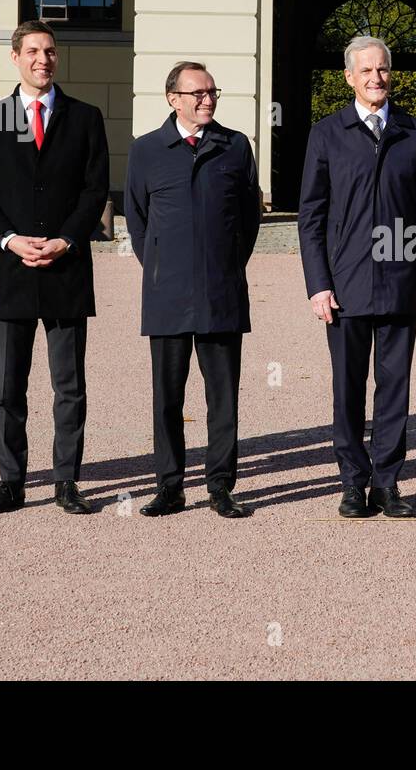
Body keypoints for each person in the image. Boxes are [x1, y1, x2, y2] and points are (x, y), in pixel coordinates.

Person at [298, 35, 416, 519]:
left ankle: (387, 483)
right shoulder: (327, 134)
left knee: (394, 388)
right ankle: (351, 482)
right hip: (345, 286)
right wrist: (318, 284)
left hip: (404, 283)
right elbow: (311, 216)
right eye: (366, 71)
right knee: (347, 388)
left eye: (382, 69)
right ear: (349, 77)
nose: (376, 78)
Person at [0, 20, 110, 515]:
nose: (42, 60)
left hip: (67, 268)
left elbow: (95, 190)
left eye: (49, 51)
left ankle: (67, 480)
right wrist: (9, 240)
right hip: (12, 270)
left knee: (69, 385)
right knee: (9, 387)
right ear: (15, 57)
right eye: (32, 51)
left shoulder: (86, 118)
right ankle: (12, 481)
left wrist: (67, 239)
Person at [125, 62, 261, 518]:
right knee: (168, 396)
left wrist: (226, 265)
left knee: (222, 397)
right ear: (173, 99)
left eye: (212, 91)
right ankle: (170, 486)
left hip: (221, 292)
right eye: (197, 93)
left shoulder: (236, 146)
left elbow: (249, 217)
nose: (207, 99)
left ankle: (221, 485)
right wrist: (162, 267)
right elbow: (137, 218)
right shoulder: (146, 150)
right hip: (166, 295)